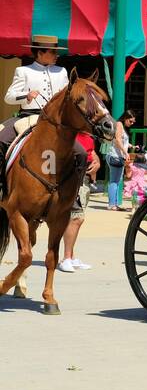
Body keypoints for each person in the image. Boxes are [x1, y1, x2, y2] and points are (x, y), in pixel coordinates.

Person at [58, 129, 100, 273]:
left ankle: (71, 256)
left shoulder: (87, 134)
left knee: (76, 218)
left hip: (85, 178)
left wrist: (97, 162)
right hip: (73, 177)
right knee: (76, 217)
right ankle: (66, 258)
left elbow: (92, 152)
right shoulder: (70, 132)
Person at [4, 34, 69, 128]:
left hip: (58, 119)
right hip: (29, 118)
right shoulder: (23, 71)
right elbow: (8, 97)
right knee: (2, 138)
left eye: (56, 52)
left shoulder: (61, 71)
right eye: (52, 52)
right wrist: (27, 96)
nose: (56, 55)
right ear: (40, 53)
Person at [105, 110, 135, 210]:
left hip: (118, 156)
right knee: (114, 181)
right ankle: (112, 204)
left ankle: (114, 204)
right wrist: (126, 153)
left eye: (133, 122)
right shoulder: (119, 124)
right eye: (130, 121)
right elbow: (117, 140)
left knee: (117, 181)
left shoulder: (123, 127)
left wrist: (131, 146)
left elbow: (122, 141)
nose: (132, 123)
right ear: (125, 118)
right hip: (115, 156)